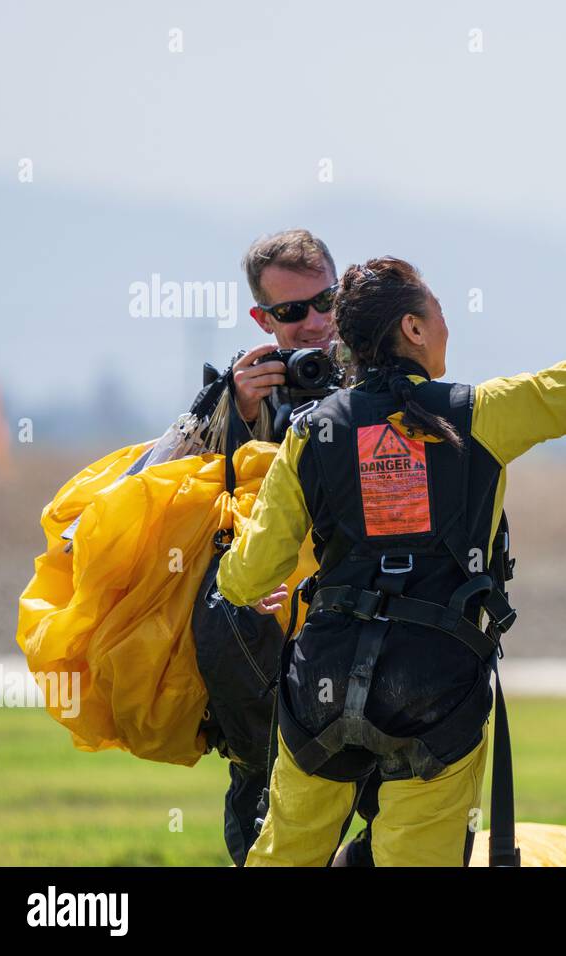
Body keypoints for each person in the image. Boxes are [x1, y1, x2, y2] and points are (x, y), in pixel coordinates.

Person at [215, 215, 566, 866]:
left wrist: (225, 555)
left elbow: (246, 577)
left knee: (283, 859)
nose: (445, 326)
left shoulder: (310, 431)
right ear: (412, 328)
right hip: (431, 688)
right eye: (437, 312)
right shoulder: (479, 412)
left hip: (321, 677)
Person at [188, 228, 382, 867]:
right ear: (261, 318)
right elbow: (184, 501)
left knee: (396, 806)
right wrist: (236, 411)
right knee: (267, 802)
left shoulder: (385, 372)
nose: (314, 324)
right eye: (291, 312)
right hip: (269, 638)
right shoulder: (245, 391)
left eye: (324, 302)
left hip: (373, 624)